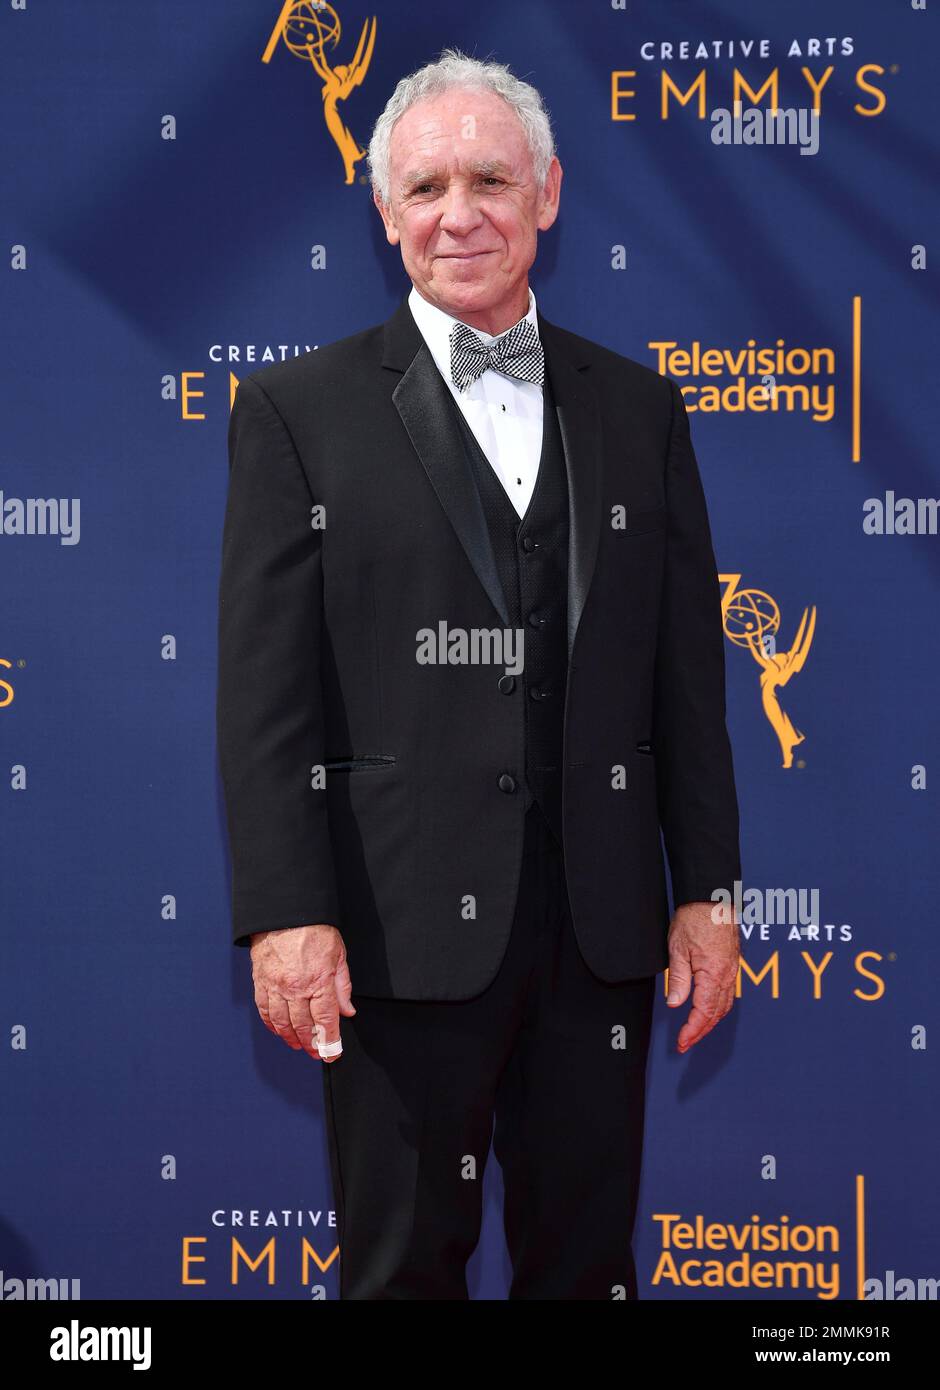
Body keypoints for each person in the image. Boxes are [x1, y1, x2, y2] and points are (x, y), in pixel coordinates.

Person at [216, 47, 741, 1301]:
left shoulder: (641, 408)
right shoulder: (296, 412)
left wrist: (707, 886)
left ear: (548, 195)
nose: (461, 214)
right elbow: (263, 692)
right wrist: (288, 912)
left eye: (491, 180)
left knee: (585, 1265)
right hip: (396, 932)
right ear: (385, 209)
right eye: (428, 186)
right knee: (400, 1269)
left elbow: (687, 674)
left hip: (597, 929)